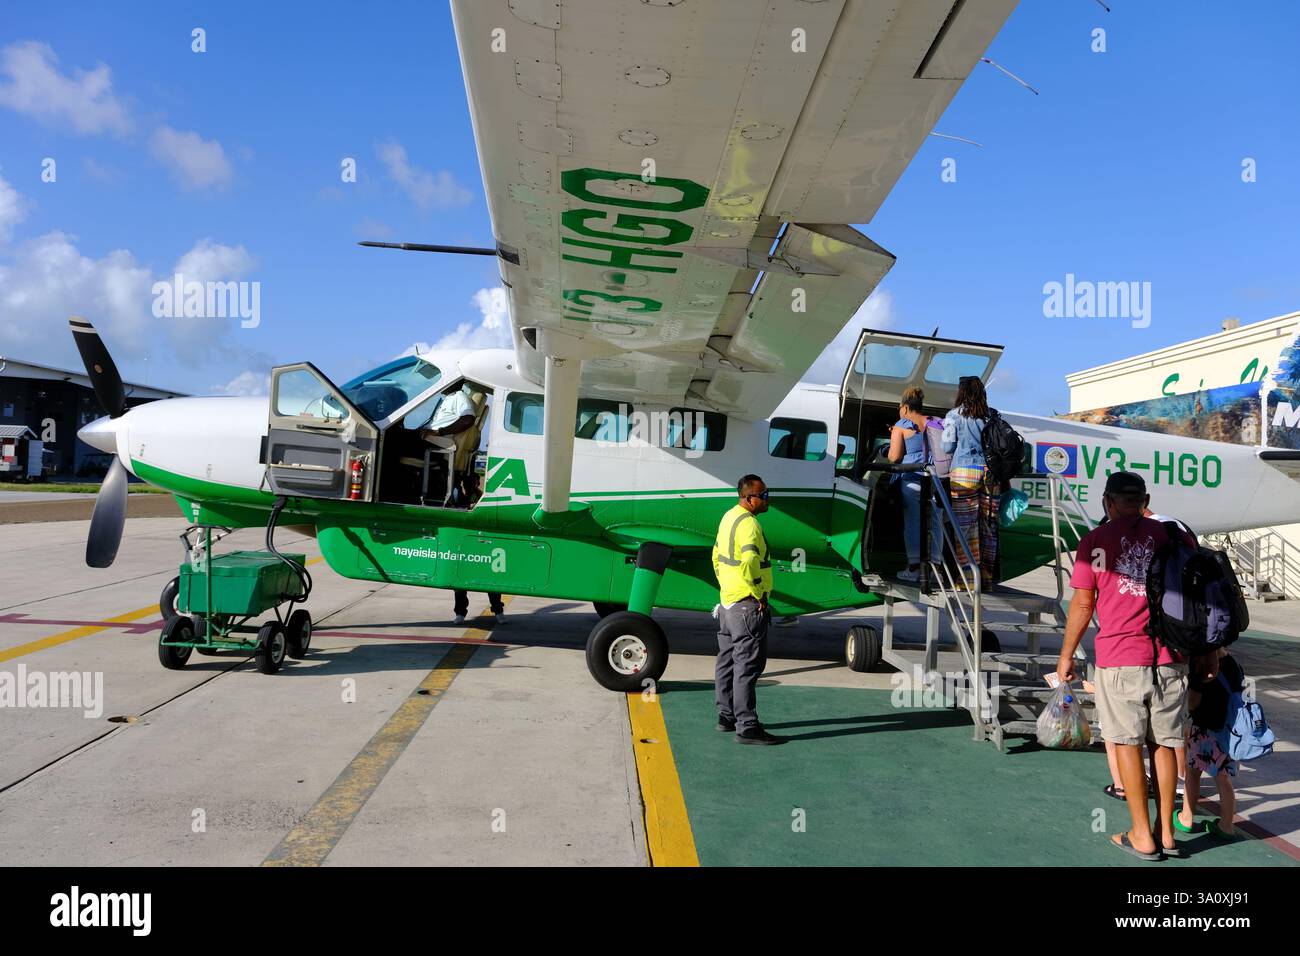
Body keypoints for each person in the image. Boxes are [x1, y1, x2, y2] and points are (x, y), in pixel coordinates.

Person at [1057, 472, 1191, 861]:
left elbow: (1083, 605)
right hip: (1170, 657)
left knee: (1128, 743)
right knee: (1165, 743)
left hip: (1120, 657)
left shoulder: (1093, 542)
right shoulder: (1171, 535)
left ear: (1108, 502)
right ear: (1144, 499)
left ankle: (1141, 834)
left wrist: (1067, 654)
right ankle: (1166, 832)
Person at [711, 474, 784, 745]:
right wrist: (758, 593)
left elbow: (716, 555)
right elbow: (750, 561)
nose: (767, 499)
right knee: (747, 666)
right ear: (748, 498)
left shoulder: (728, 517)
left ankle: (726, 715)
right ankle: (748, 726)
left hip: (728, 601)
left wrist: (725, 585)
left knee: (726, 661)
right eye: (763, 495)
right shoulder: (750, 525)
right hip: (747, 605)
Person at [1177, 648, 1244, 840]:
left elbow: (1193, 703)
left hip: (1204, 728)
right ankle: (1226, 825)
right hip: (1229, 730)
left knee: (1193, 773)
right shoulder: (1233, 663)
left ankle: (1186, 817)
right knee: (1223, 779)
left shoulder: (1202, 663)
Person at [941, 376, 1000, 591]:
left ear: (962, 392)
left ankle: (968, 579)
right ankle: (986, 579)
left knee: (966, 527)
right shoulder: (993, 415)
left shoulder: (954, 416)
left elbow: (947, 447)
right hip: (992, 474)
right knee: (989, 525)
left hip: (964, 472)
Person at [888, 386, 942, 583]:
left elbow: (894, 457)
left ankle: (914, 567)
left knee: (913, 521)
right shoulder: (934, 422)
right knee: (935, 521)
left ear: (904, 408)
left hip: (912, 479)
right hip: (934, 478)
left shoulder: (901, 425)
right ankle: (935, 569)